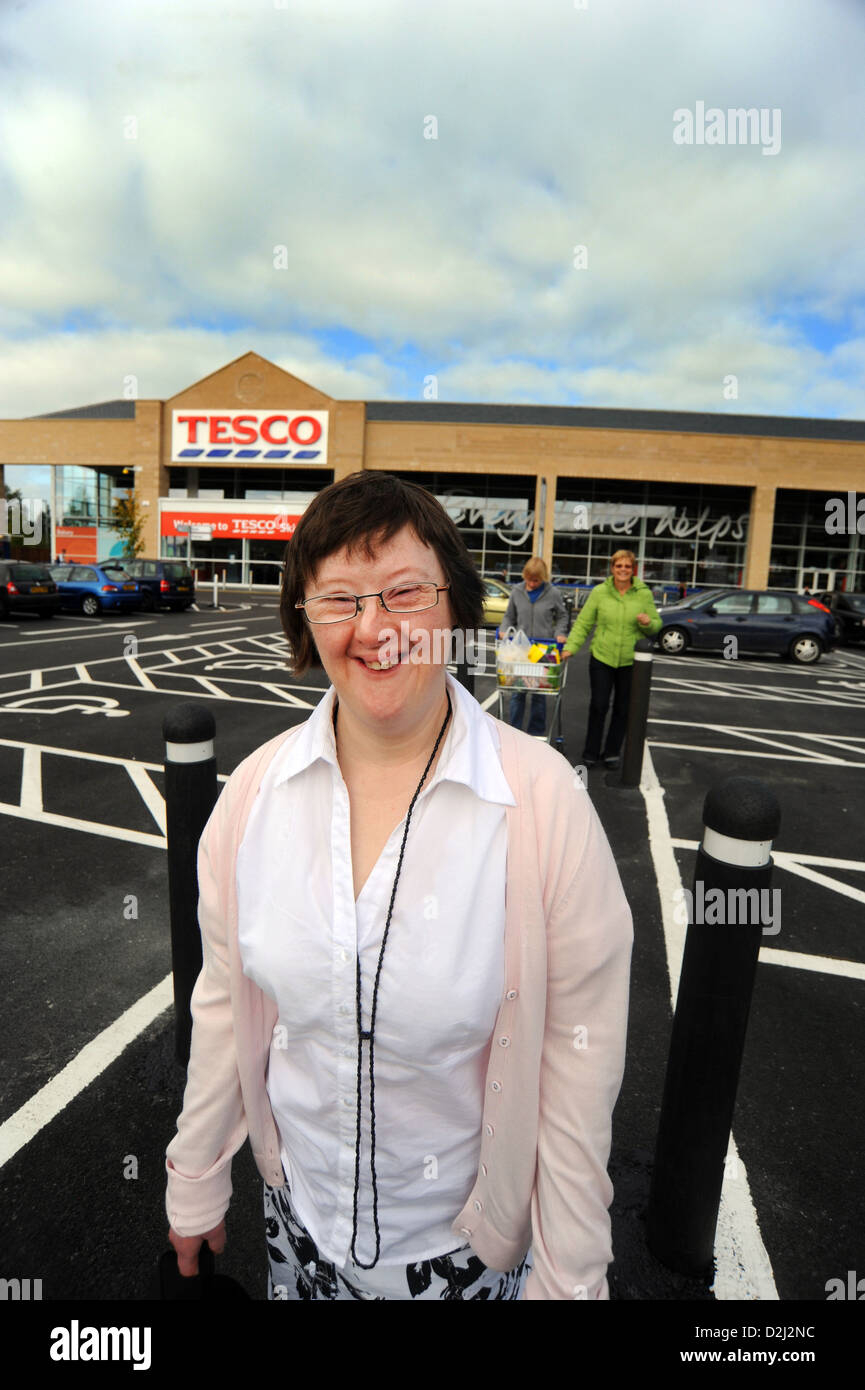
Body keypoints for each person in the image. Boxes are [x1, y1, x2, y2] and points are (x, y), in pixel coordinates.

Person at [165, 470, 632, 1301]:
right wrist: (196, 1175)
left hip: (463, 1257)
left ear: (452, 608)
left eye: (403, 593)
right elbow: (225, 996)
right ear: (305, 620)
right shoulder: (253, 796)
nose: (374, 628)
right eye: (339, 599)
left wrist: (569, 1282)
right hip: (296, 1231)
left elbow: (574, 1071)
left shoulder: (542, 803)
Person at [561, 550, 662, 770]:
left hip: (630, 661)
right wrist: (570, 647)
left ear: (633, 569)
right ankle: (591, 752)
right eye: (619, 566)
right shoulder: (600, 592)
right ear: (612, 568)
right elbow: (584, 623)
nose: (623, 570)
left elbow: (656, 623)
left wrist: (647, 623)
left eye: (627, 566)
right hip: (602, 657)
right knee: (598, 705)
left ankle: (612, 752)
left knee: (623, 708)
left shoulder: (643, 594)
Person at [499, 558, 567, 737]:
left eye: (536, 580)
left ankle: (536, 733)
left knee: (539, 692)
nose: (531, 583)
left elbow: (562, 616)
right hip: (520, 650)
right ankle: (514, 731)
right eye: (529, 579)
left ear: (543, 578)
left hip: (543, 649)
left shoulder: (553, 593)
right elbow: (509, 616)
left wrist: (560, 633)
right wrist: (505, 630)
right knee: (517, 691)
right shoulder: (517, 591)